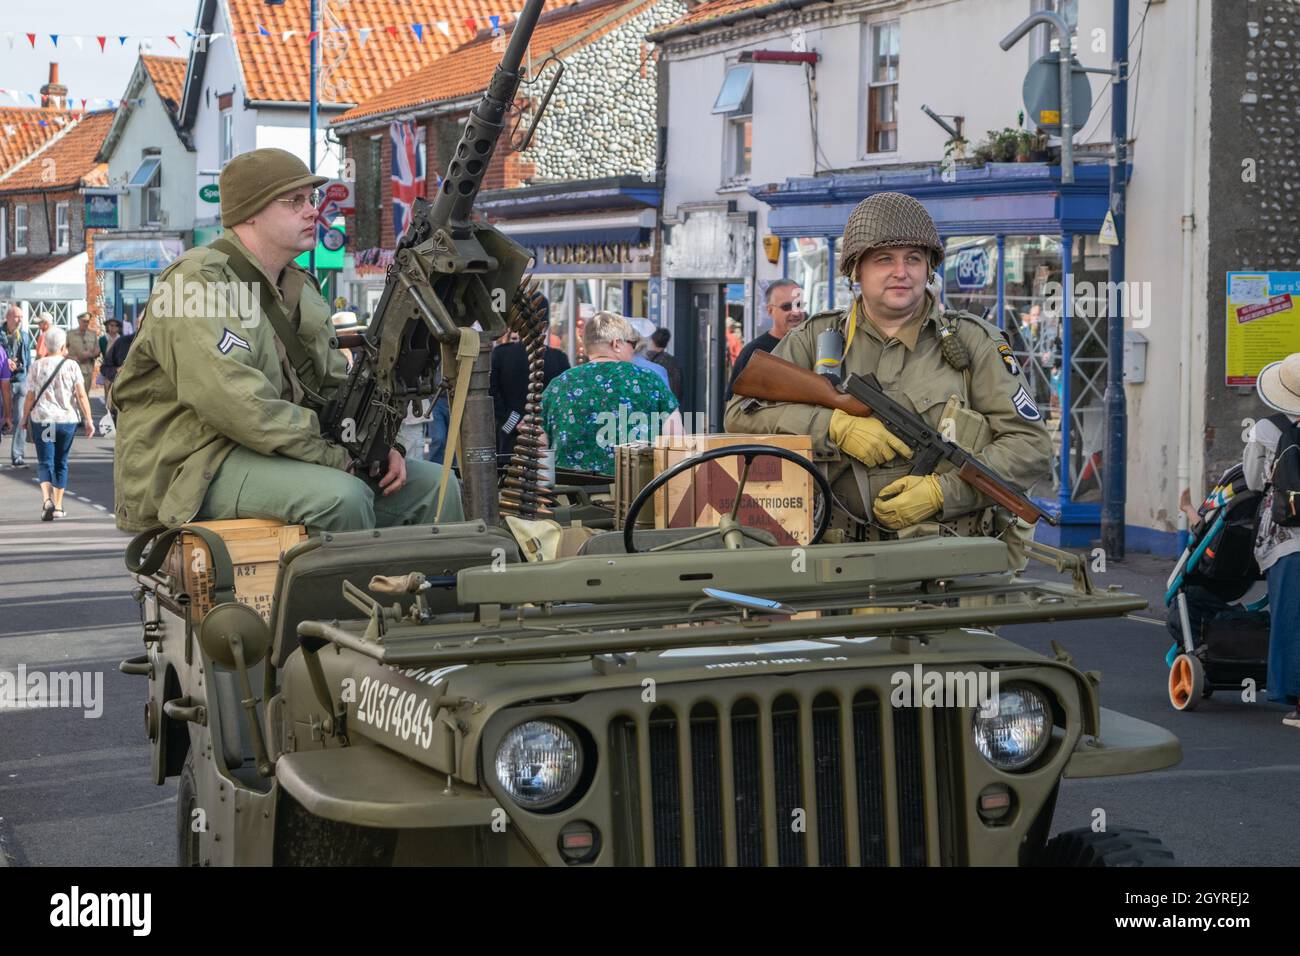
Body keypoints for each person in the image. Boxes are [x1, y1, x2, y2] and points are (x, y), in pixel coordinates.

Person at [111, 147, 462, 535]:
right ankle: (358, 595)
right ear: (250, 212)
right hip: (199, 462)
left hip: (278, 451)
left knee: (438, 489)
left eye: (310, 199)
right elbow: (238, 404)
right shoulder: (195, 284)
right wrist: (333, 456)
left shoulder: (301, 288)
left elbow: (333, 390)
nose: (313, 210)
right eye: (294, 201)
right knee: (340, 498)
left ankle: (419, 594)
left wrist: (380, 448)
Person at [725, 191, 1052, 542]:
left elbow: (1030, 447)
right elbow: (740, 415)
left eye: (913, 259)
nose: (901, 272)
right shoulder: (816, 337)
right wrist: (832, 425)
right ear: (856, 269)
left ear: (928, 268)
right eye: (884, 259)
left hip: (951, 565)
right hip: (836, 561)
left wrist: (943, 492)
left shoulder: (975, 342)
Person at [541, 311, 681, 475]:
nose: (634, 351)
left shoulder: (558, 385)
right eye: (632, 344)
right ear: (616, 344)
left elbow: (539, 443)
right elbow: (676, 440)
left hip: (570, 495)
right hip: (635, 493)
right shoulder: (650, 381)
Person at [1243, 352, 1300, 728]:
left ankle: (1296, 703)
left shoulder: (1267, 428)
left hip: (1287, 538)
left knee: (1290, 618)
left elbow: (1250, 481)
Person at [21, 326, 94, 519]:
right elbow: (81, 394)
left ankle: (47, 500)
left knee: (45, 462)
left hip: (45, 421)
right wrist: (88, 420)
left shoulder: (37, 366)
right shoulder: (72, 366)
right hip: (66, 421)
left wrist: (23, 418)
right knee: (61, 462)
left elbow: (29, 396)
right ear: (63, 346)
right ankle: (59, 506)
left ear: (45, 345)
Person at [490, 294, 570, 458]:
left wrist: (514, 421)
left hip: (509, 435)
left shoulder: (501, 355)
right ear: (545, 325)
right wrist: (541, 423)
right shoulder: (558, 359)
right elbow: (563, 399)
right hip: (546, 434)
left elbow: (492, 395)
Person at [725, 279, 807, 399]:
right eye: (787, 307)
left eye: (799, 305)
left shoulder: (814, 346)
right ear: (769, 310)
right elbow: (733, 405)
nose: (796, 312)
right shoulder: (753, 353)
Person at [1, 305, 35, 466]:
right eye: (16, 316)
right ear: (7, 317)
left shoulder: (24, 336)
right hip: (2, 382)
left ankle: (18, 455)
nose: (20, 319)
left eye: (21, 317)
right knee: (1, 417)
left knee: (20, 418)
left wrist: (18, 364)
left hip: (20, 380)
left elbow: (27, 360)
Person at [67, 311, 100, 403]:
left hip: (87, 369)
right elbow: (63, 351)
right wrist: (73, 358)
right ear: (78, 321)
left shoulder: (92, 334)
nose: (86, 323)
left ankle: (83, 416)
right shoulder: (70, 334)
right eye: (84, 321)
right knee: (71, 393)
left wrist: (91, 354)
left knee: (84, 394)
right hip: (72, 368)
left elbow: (97, 350)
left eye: (87, 321)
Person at [645, 327, 684, 404]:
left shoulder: (643, 359)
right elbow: (677, 388)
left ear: (652, 341)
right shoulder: (672, 362)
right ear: (666, 343)